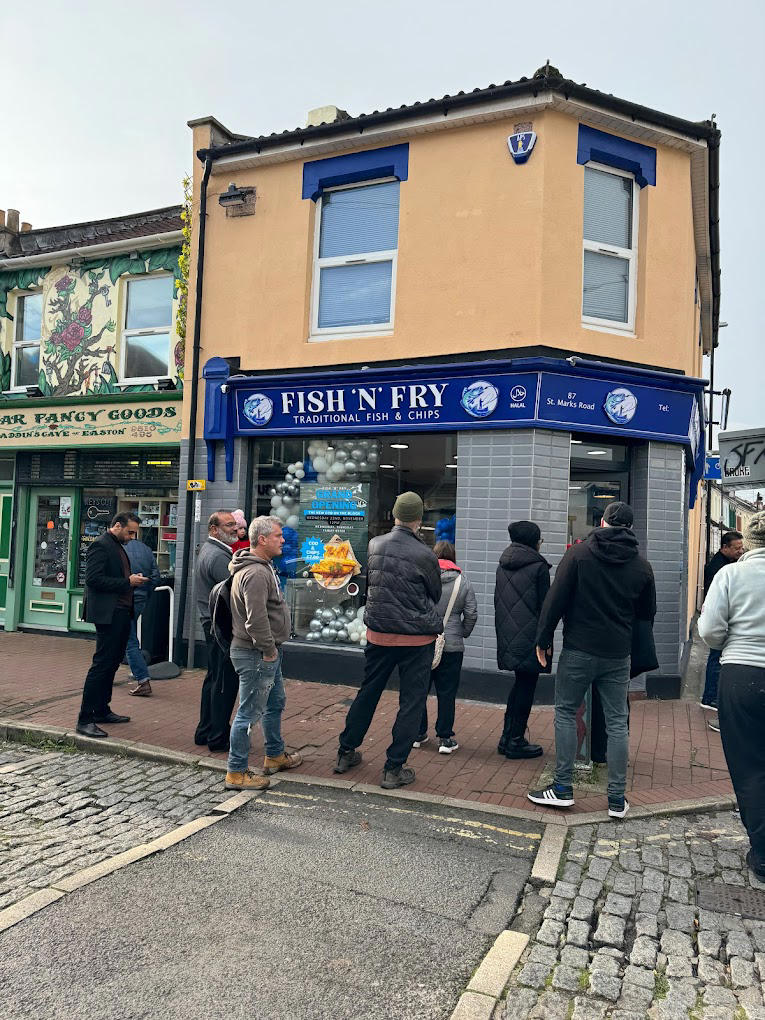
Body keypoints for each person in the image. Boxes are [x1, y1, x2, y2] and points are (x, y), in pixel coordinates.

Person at [527, 501, 655, 818]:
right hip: (617, 654)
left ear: (602, 521)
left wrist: (543, 640)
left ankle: (562, 789)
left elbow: (554, 601)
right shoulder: (641, 566)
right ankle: (615, 799)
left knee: (566, 713)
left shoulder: (579, 554)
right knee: (617, 723)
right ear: (630, 527)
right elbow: (647, 614)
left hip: (578, 649)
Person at [334, 491, 443, 789]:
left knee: (368, 692)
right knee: (411, 702)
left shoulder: (374, 544)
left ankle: (345, 752)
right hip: (416, 640)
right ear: (418, 520)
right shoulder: (426, 554)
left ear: (395, 515)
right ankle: (393, 768)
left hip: (378, 633)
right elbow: (435, 593)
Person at [698, 512, 765, 882]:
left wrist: (731, 644)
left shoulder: (731, 574)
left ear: (749, 546)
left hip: (742, 674)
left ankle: (764, 850)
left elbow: (709, 630)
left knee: (750, 765)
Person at [225, 515, 303, 791]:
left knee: (275, 702)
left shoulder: (262, 566)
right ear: (262, 539)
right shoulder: (256, 573)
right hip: (257, 654)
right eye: (278, 536)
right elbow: (255, 619)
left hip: (263, 653)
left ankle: (275, 755)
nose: (283, 540)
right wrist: (269, 650)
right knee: (248, 713)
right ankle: (236, 772)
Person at [76, 513, 147, 738]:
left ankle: (101, 709)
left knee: (113, 663)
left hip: (121, 612)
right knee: (102, 664)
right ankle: (85, 718)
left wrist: (130, 579)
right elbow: (93, 579)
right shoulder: (101, 546)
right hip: (109, 613)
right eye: (130, 532)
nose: (132, 537)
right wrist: (128, 582)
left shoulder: (116, 545)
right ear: (117, 526)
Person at [412, 540, 477, 754]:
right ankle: (445, 738)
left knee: (420, 689)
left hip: (424, 641)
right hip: (452, 645)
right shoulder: (463, 582)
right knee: (447, 692)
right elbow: (471, 614)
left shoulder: (424, 579)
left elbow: (415, 607)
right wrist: (462, 632)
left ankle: (418, 733)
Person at [494, 520, 551, 759]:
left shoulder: (503, 565)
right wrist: (545, 641)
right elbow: (545, 607)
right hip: (531, 637)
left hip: (508, 634)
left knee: (519, 684)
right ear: (534, 542)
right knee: (526, 686)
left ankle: (507, 737)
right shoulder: (538, 568)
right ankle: (515, 740)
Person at [194, 510, 240, 752]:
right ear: (213, 529)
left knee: (213, 678)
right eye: (229, 525)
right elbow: (234, 595)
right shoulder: (219, 557)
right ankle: (218, 736)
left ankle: (205, 730)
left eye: (235, 524)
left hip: (211, 624)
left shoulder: (213, 551)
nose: (234, 528)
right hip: (219, 627)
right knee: (223, 682)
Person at [700, 530, 744, 711]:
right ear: (724, 547)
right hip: (720, 621)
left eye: (742, 548)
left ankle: (711, 696)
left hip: (722, 620)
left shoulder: (728, 564)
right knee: (715, 658)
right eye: (737, 548)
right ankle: (710, 697)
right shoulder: (719, 568)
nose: (740, 552)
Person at [124, 513, 161, 697]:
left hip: (122, 599)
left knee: (128, 639)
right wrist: (145, 593)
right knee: (123, 636)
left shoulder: (118, 549)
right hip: (140, 599)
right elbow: (155, 576)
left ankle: (142, 679)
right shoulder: (146, 549)